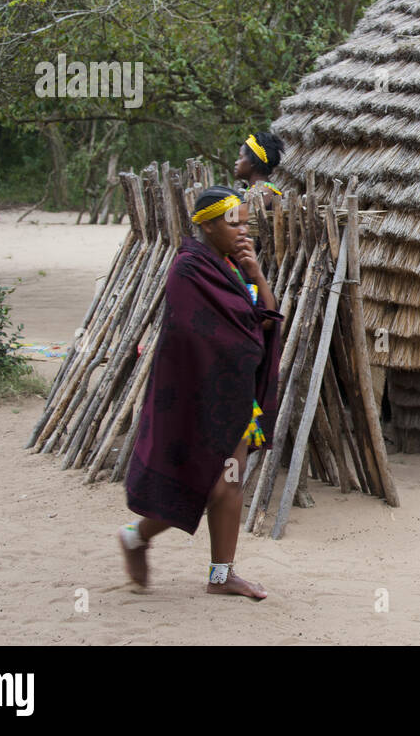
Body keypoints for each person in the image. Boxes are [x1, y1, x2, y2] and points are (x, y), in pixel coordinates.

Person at [118, 186, 283, 599]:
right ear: (208, 225)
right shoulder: (188, 270)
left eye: (246, 222)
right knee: (200, 482)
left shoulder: (233, 267)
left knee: (229, 480)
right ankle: (136, 535)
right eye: (234, 222)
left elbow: (264, 321)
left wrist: (257, 275)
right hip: (199, 395)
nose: (243, 230)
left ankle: (221, 575)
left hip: (235, 394)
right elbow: (196, 334)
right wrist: (245, 331)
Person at [233, 131, 285, 206]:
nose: (236, 162)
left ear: (253, 161)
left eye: (240, 157)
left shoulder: (263, 193)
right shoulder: (258, 190)